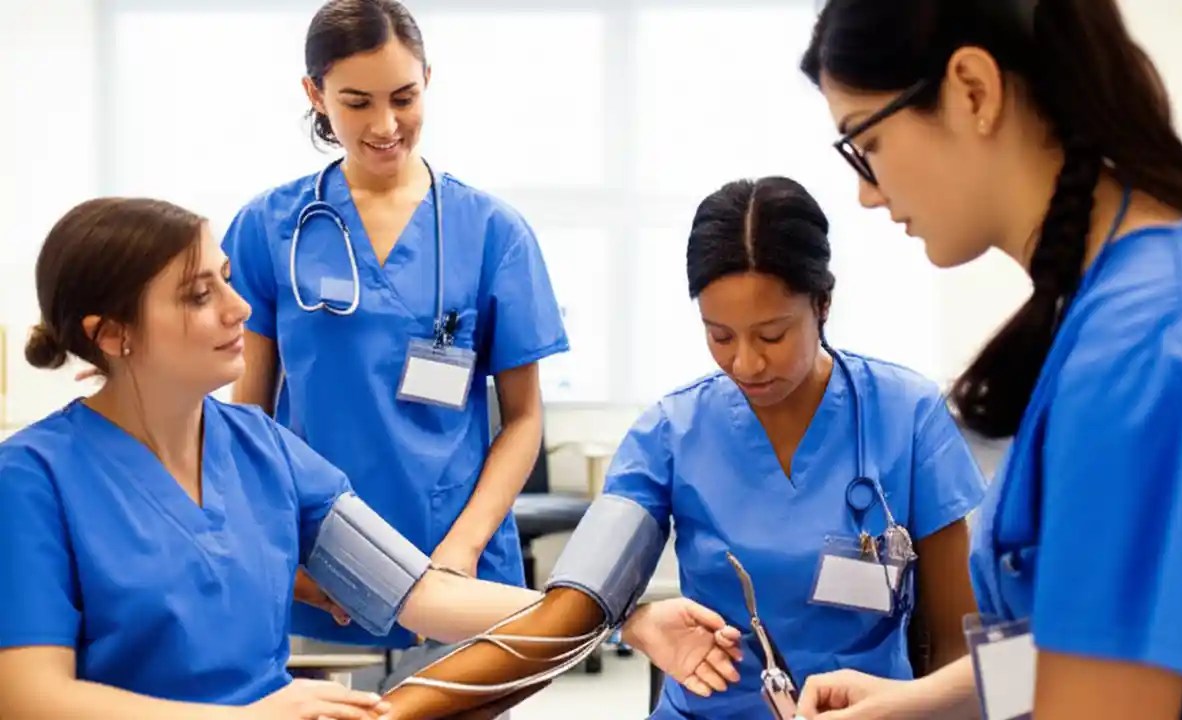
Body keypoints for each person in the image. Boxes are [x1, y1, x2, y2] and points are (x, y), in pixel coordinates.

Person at [0, 197, 742, 719]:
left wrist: (626, 622)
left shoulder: (262, 450)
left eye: (228, 278)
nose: (238, 308)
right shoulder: (33, 480)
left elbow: (423, 594)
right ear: (112, 334)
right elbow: (31, 698)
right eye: (199, 295)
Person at [794, 1, 1182, 718]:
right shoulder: (1146, 299)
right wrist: (917, 702)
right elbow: (1101, 642)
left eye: (864, 143)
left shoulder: (1147, 347)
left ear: (972, 92)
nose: (867, 193)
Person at [222, 0, 568, 656]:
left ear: (428, 83)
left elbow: (523, 420)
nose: (385, 125)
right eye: (356, 103)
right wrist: (276, 546)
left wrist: (460, 552)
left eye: (404, 97)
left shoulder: (493, 232)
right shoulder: (269, 228)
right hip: (316, 566)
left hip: (458, 562)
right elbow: (253, 420)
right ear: (314, 95)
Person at [602, 176, 988, 718]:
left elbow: (958, 641)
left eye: (772, 335)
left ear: (823, 304)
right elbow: (583, 595)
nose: (746, 363)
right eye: (720, 335)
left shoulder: (908, 415)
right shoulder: (671, 431)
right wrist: (637, 623)